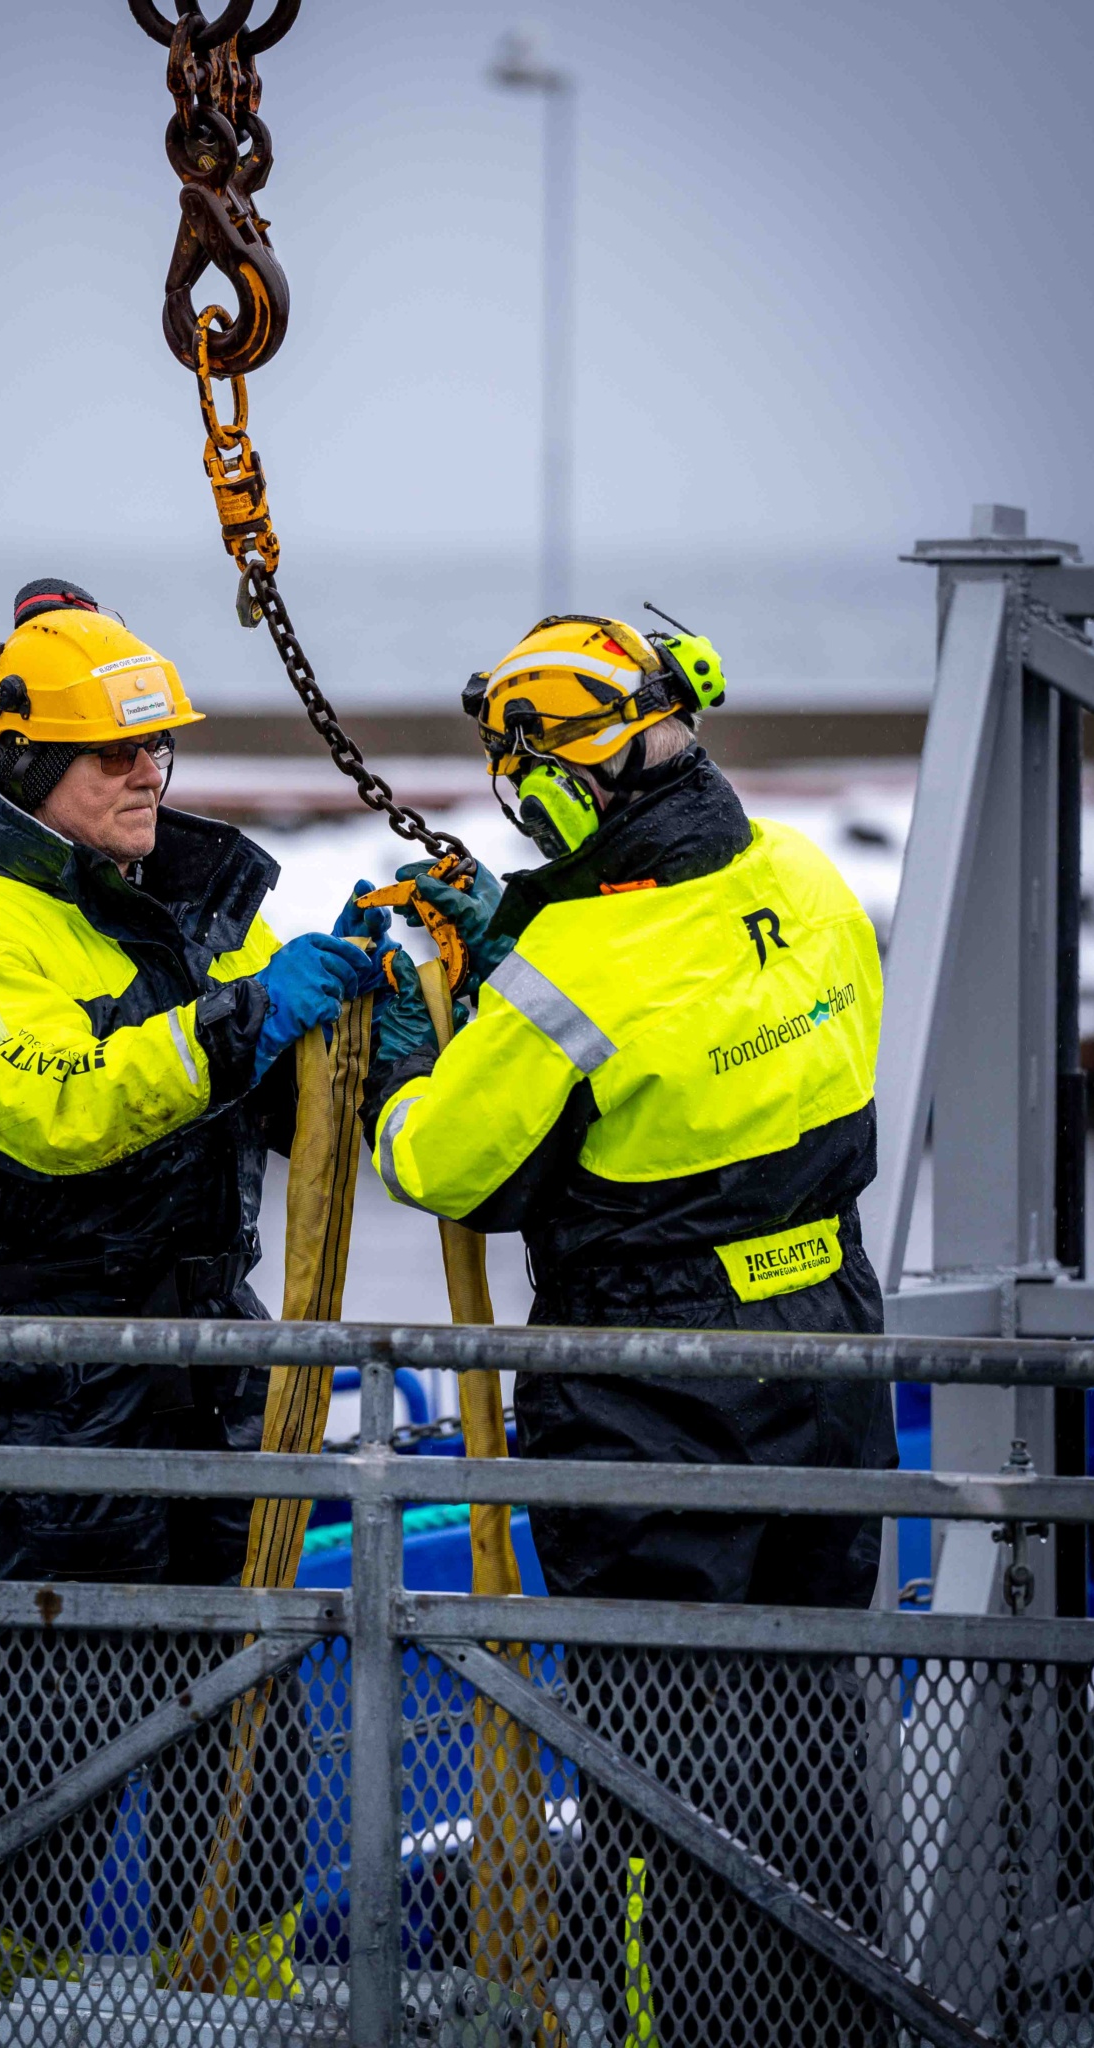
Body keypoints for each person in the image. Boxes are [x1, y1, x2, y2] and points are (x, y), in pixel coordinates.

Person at [357, 611, 897, 2042]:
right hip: (833, 1339)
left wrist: (414, 1061)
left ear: (550, 781)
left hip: (656, 1383)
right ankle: (827, 2025)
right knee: (804, 1736)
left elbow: (438, 1164)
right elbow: (695, 995)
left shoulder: (573, 970)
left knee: (660, 1762)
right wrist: (533, 926)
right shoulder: (799, 869)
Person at [0, 575, 379, 1998]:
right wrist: (244, 1019)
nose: (146, 775)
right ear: (31, 770)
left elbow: (285, 1108)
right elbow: (64, 1110)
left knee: (246, 1705)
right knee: (58, 1714)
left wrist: (375, 1028)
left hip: (208, 1369)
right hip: (49, 1390)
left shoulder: (201, 921)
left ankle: (239, 1980)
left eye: (157, 749)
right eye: (114, 754)